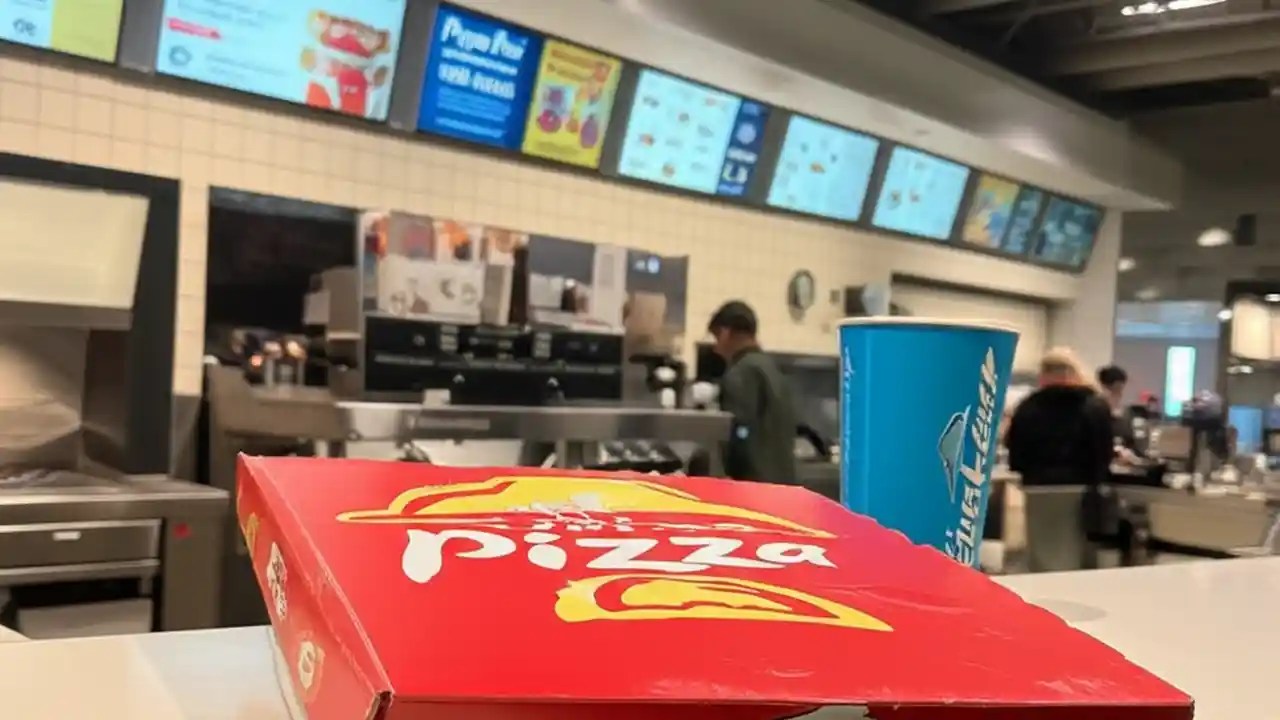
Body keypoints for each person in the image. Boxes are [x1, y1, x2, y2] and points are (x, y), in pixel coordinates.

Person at [707, 301, 797, 485]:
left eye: (716, 338)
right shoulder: (774, 369)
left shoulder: (741, 372)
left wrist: (728, 474)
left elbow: (739, 431)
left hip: (754, 487)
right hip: (785, 485)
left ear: (725, 333)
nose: (716, 348)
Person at [1005, 348, 1113, 488]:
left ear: (1043, 374)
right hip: (1083, 490)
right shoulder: (1095, 406)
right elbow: (1103, 455)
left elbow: (1016, 456)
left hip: (1036, 488)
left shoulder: (1028, 406)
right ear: (1076, 372)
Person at [1097, 364, 1137, 451]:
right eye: (1116, 389)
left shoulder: (1126, 414)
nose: (1119, 394)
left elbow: (1130, 442)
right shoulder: (1093, 411)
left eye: (1121, 389)